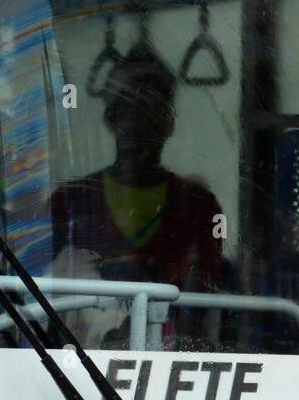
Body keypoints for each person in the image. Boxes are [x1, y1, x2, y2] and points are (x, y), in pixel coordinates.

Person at [49, 37, 225, 349]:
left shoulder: (200, 207)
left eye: (152, 111)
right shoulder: (69, 203)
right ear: (111, 119)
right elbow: (48, 311)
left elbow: (205, 311)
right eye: (129, 110)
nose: (140, 124)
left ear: (168, 122)